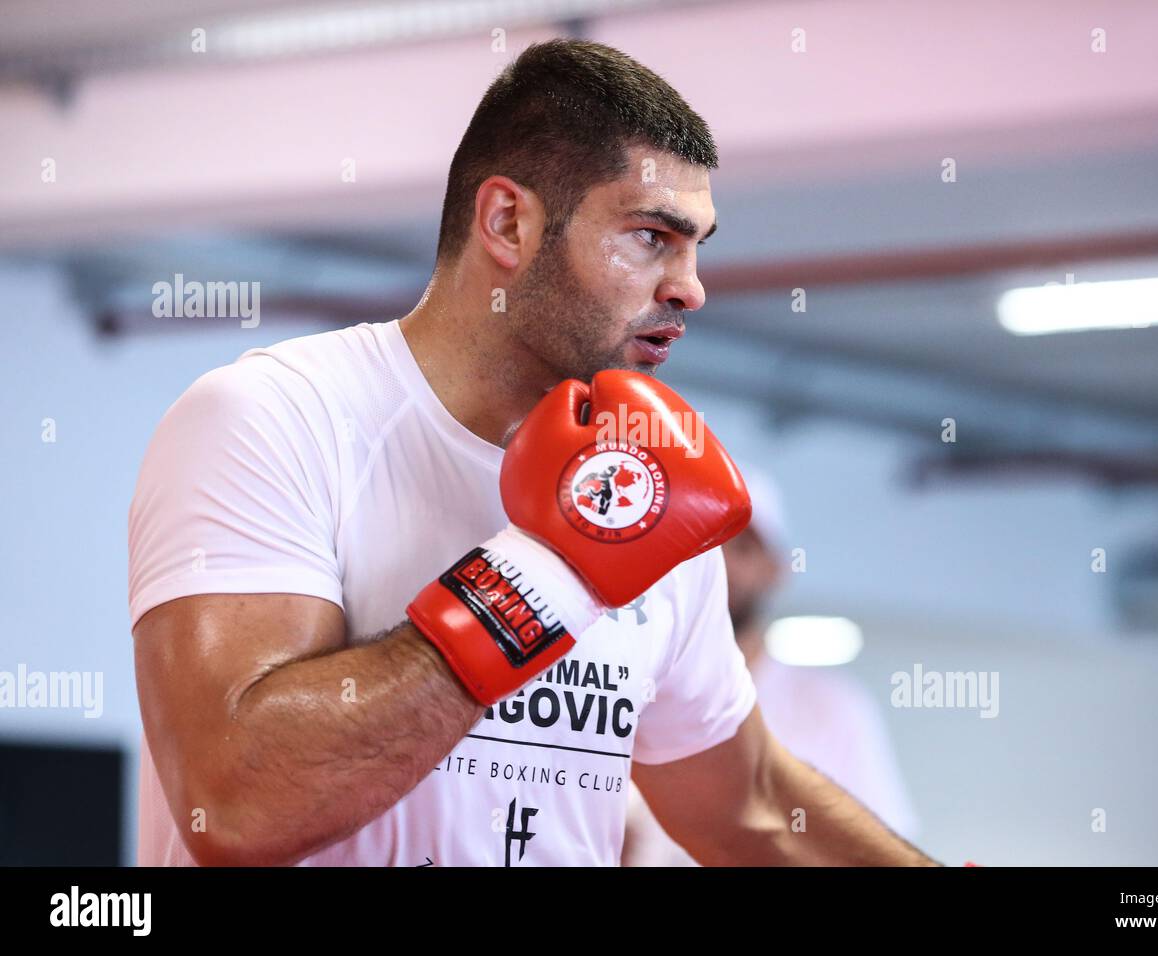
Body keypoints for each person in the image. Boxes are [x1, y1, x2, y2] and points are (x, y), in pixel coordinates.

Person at [128, 38, 941, 866]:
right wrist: (545, 573)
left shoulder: (642, 480)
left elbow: (747, 806)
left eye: (698, 246)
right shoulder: (277, 419)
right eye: (652, 236)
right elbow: (234, 805)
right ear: (509, 222)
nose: (690, 287)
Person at [623, 469, 920, 865]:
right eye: (701, 544)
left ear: (775, 569)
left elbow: (875, 846)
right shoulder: (625, 691)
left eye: (740, 547)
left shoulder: (832, 705)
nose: (716, 565)